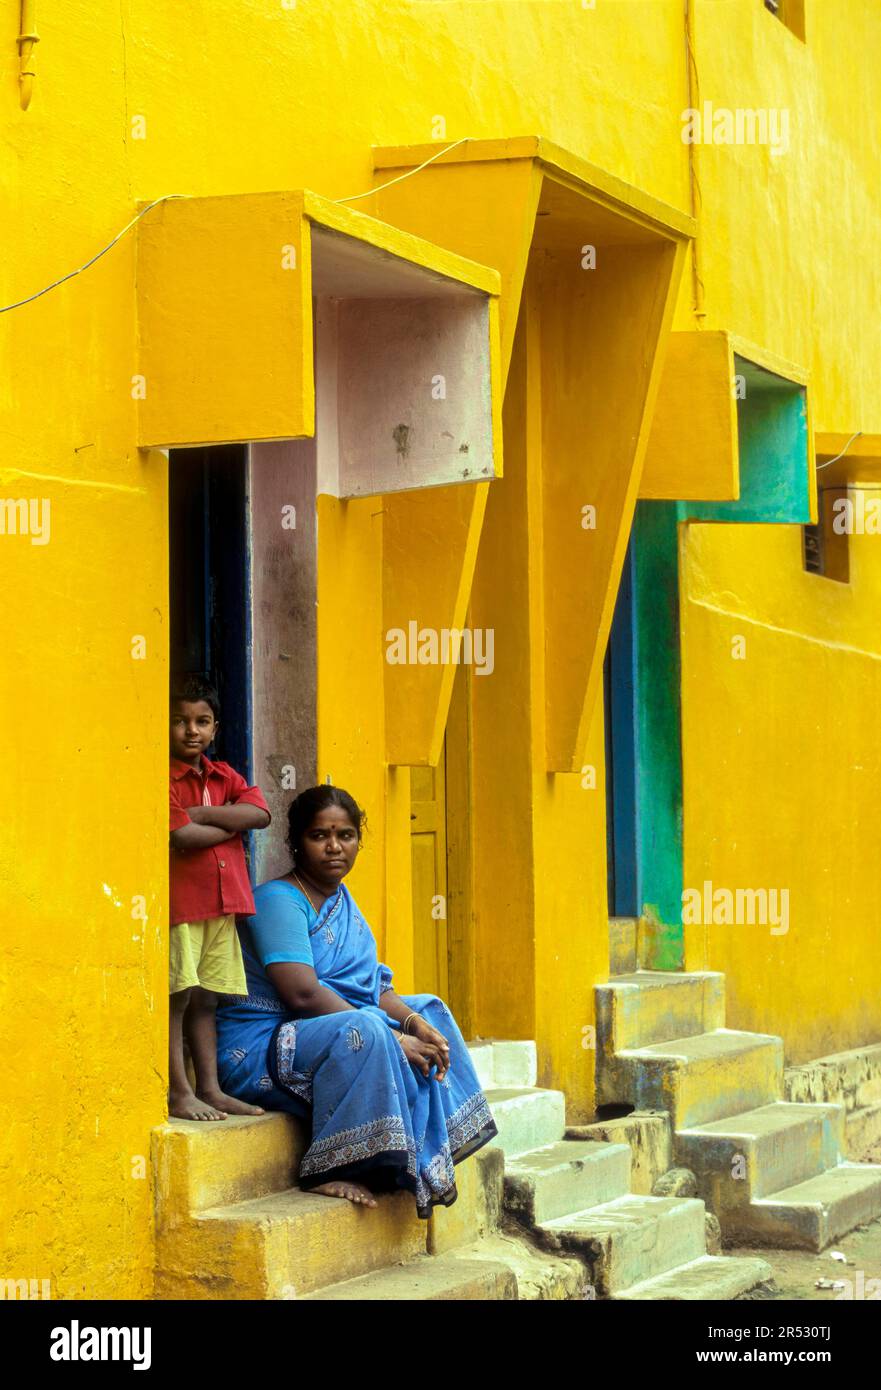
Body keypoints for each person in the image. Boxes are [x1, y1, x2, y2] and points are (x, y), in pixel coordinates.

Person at [216, 785, 498, 1215]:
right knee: (365, 1030)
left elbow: (373, 987)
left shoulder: (340, 901)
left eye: (345, 836)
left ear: (358, 842)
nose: (334, 847)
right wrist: (393, 1038)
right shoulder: (278, 901)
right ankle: (331, 1167)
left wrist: (412, 1025)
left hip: (319, 1032)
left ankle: (425, 1152)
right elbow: (302, 992)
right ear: (295, 842)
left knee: (429, 1009)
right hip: (259, 1046)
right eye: (319, 836)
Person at [168, 675, 271, 1121]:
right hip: (182, 909)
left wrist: (211, 814)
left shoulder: (224, 775)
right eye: (179, 721)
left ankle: (211, 1089)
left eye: (202, 721)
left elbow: (259, 814)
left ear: (215, 728)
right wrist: (230, 825)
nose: (192, 731)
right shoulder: (162, 778)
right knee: (178, 996)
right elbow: (183, 836)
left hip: (222, 907)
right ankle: (179, 1092)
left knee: (208, 999)